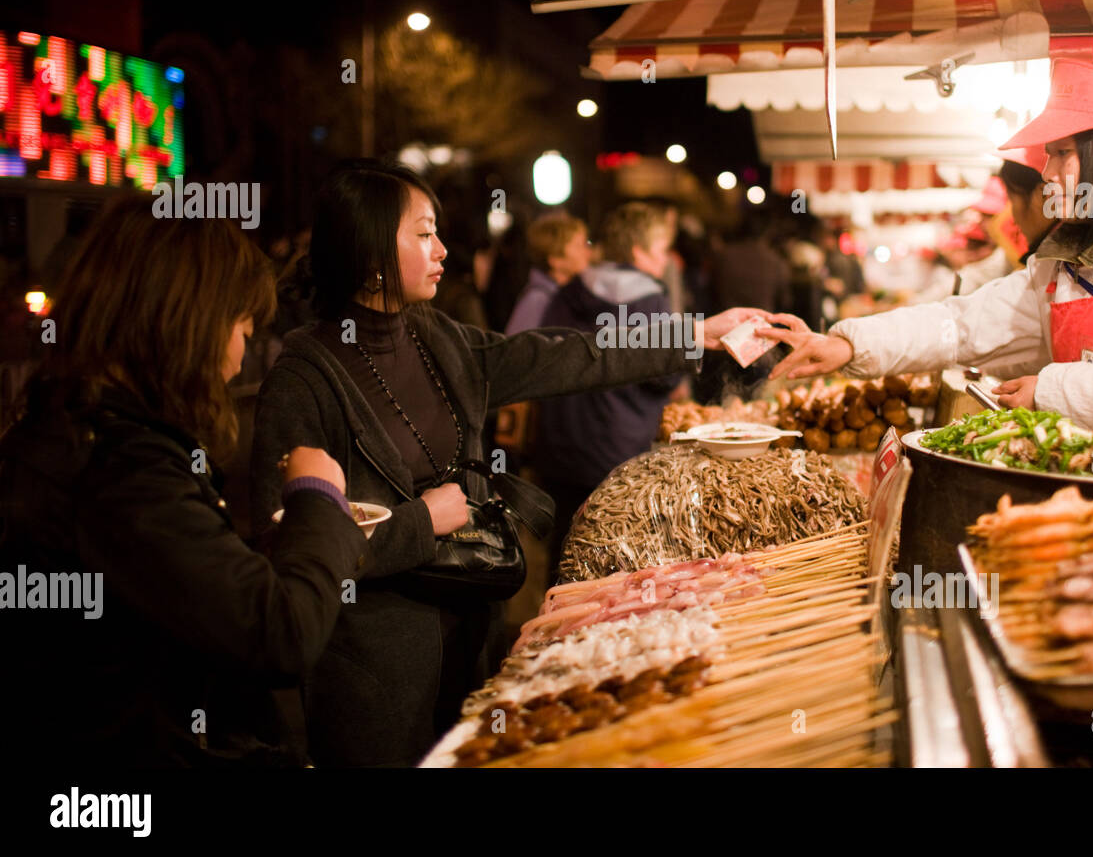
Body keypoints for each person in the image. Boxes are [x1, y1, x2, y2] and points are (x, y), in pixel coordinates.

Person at [250, 161, 764, 766]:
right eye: (422, 233)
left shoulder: (435, 336)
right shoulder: (304, 377)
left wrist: (693, 333)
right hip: (374, 668)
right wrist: (419, 523)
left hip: (476, 631)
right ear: (367, 245)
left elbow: (572, 354)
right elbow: (285, 545)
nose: (442, 248)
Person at [0, 194, 368, 767]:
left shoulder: (84, 432)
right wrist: (319, 499)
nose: (243, 350)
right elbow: (278, 634)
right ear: (186, 319)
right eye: (240, 323)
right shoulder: (120, 471)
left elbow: (178, 589)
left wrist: (265, 550)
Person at [760, 57, 1093, 448]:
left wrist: (1051, 391)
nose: (1047, 174)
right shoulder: (1067, 262)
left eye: (1061, 153)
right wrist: (851, 344)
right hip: (1081, 500)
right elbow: (962, 326)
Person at [534, 202, 688, 565]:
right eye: (660, 250)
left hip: (559, 446)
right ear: (638, 251)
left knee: (564, 554)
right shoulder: (649, 299)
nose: (664, 260)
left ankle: (553, 620)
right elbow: (664, 373)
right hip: (616, 452)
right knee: (610, 558)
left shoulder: (569, 290)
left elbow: (543, 355)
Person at [504, 213, 591, 335]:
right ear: (555, 259)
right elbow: (514, 349)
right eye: (578, 246)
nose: (587, 252)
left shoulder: (565, 296)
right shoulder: (538, 299)